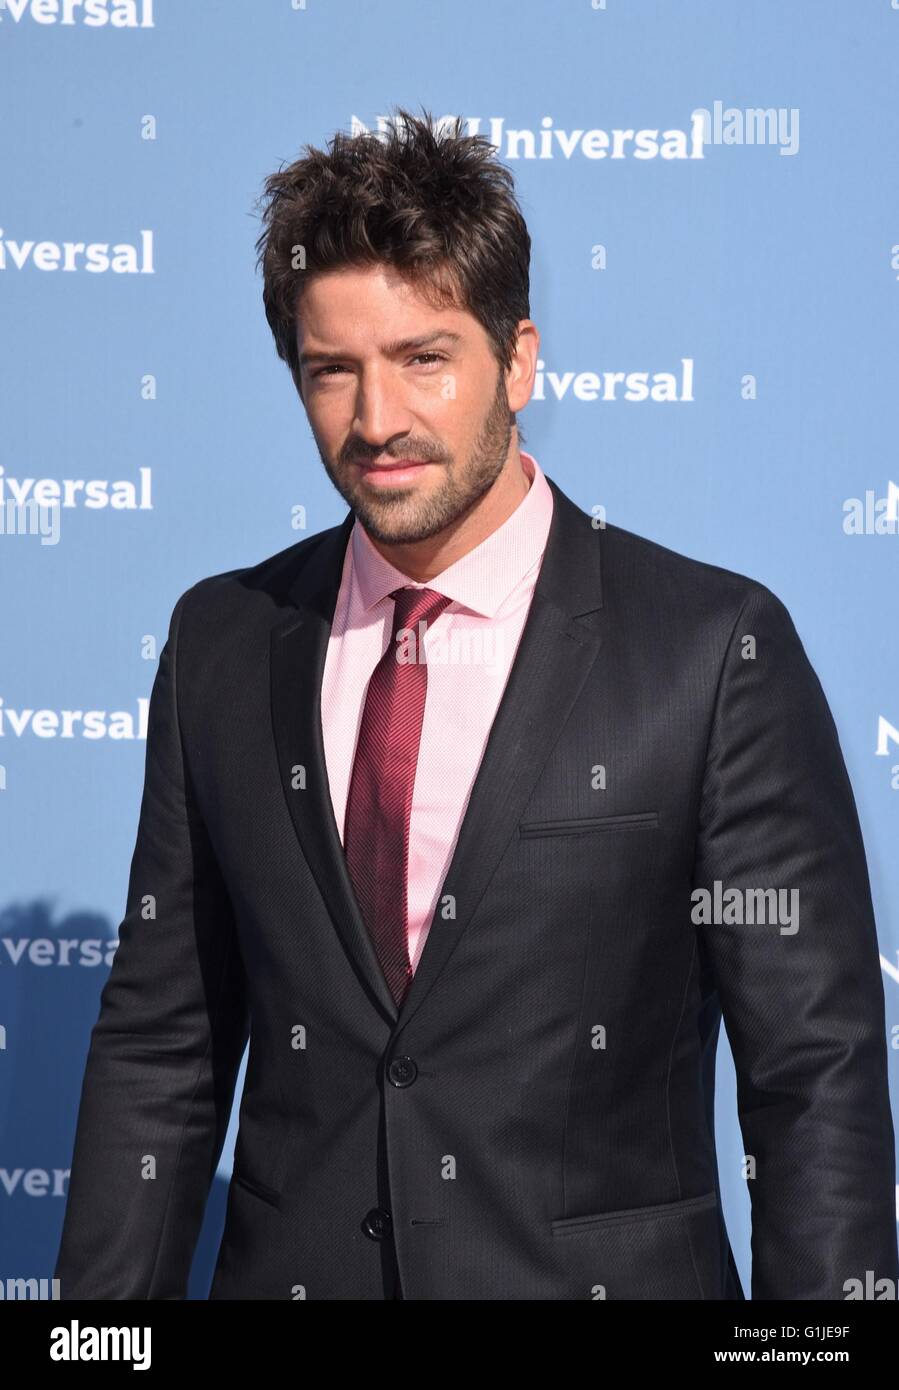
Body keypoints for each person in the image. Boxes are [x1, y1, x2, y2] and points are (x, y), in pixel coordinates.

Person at [54, 107, 898, 1301]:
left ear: (521, 358)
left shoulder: (709, 651)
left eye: (423, 358)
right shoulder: (222, 645)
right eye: (331, 370)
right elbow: (161, 1050)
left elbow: (812, 1079)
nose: (377, 419)